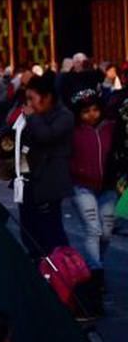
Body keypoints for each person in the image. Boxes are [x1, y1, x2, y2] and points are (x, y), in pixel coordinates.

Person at [16, 72, 74, 261]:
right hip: (27, 177)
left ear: (47, 97)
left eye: (32, 99)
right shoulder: (31, 115)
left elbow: (47, 136)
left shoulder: (64, 116)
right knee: (29, 227)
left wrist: (32, 118)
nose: (29, 104)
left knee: (51, 230)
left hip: (49, 181)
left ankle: (61, 269)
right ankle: (37, 263)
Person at [68, 89, 115, 306]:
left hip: (108, 187)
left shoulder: (111, 128)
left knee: (106, 232)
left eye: (95, 109)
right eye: (86, 111)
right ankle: (96, 273)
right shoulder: (74, 131)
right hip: (82, 185)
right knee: (92, 229)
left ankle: (96, 264)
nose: (92, 115)